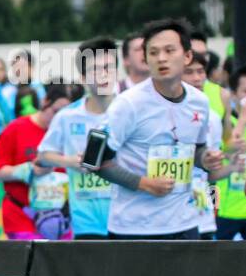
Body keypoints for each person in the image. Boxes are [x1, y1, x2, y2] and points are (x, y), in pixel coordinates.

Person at [96, 18, 230, 240]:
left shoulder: (200, 101)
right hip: (134, 229)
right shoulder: (127, 104)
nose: (162, 58)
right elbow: (93, 160)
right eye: (153, 52)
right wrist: (143, 183)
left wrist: (206, 159)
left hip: (185, 223)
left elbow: (196, 150)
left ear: (187, 56)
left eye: (169, 50)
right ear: (146, 59)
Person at [36, 38, 118, 240]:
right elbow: (43, 155)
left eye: (108, 67)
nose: (103, 75)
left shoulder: (131, 112)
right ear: (83, 77)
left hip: (124, 220)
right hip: (85, 222)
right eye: (95, 69)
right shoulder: (67, 116)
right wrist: (68, 162)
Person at [0, 82, 73, 240]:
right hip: (20, 215)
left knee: (62, 263)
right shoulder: (15, 129)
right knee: (29, 262)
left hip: (60, 216)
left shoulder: (69, 133)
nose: (59, 119)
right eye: (56, 111)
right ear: (44, 101)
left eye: (65, 114)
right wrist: (27, 170)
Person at [216, 62, 246, 240]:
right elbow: (230, 147)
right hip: (222, 210)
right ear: (234, 93)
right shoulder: (226, 121)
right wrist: (244, 116)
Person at [184, 52, 223, 239]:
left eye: (201, 71)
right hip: (171, 217)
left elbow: (212, 175)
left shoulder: (213, 117)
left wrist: (229, 164)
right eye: (190, 72)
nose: (197, 78)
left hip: (204, 217)